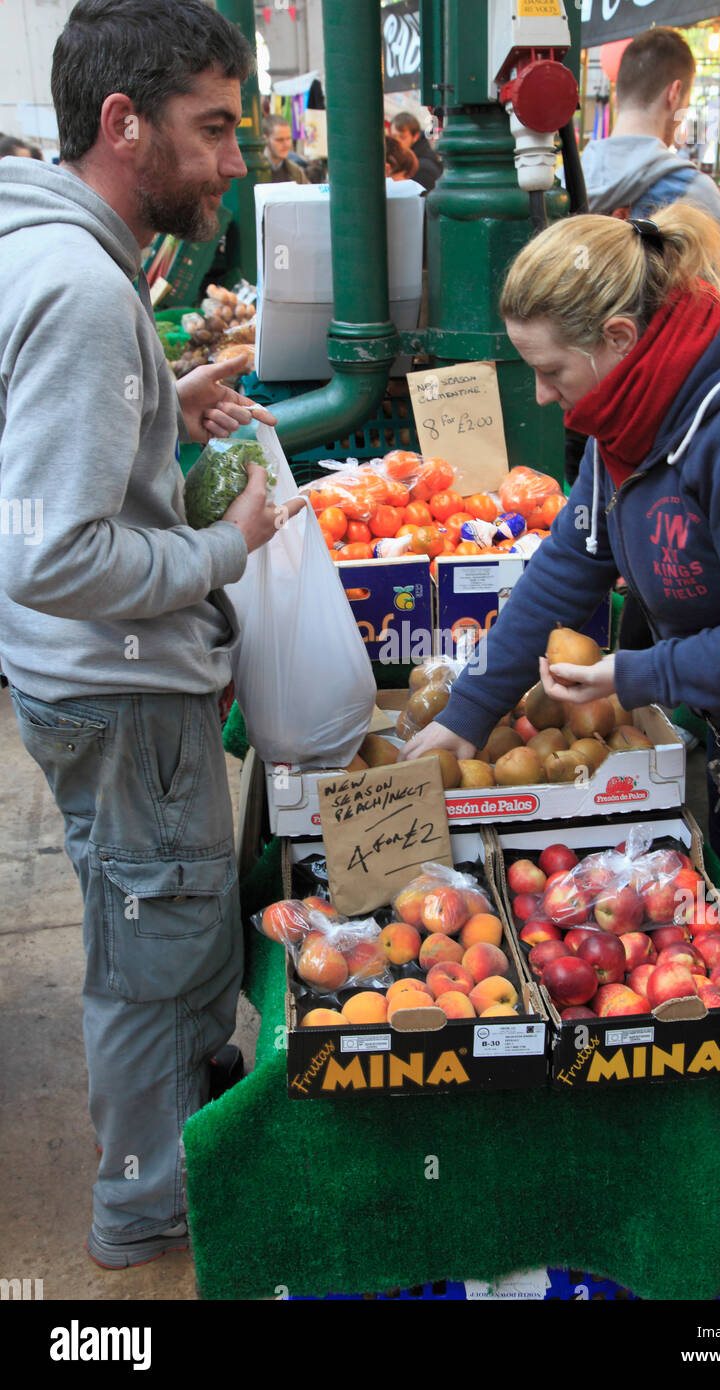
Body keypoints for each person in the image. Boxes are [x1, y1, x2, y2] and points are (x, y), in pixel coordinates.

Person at [401, 204, 720, 1126]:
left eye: (548, 371)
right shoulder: (629, 414)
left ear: (619, 337)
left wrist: (637, 677)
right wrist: (462, 717)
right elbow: (569, 564)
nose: (539, 396)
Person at [0, 0, 304, 1269]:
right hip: (117, 694)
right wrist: (227, 544)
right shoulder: (78, 284)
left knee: (160, 934)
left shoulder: (49, 248)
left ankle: (179, 1127)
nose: (236, 160)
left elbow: (45, 465)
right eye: (215, 129)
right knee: (150, 958)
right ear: (123, 124)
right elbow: (52, 550)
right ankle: (143, 1209)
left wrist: (157, 409)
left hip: (84, 686)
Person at [579, 28, 720, 303]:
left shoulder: (561, 182)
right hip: (660, 344)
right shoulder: (695, 193)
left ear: (616, 96)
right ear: (674, 93)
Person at [390, 111, 442, 192]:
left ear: (415, 136)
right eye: (394, 136)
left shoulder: (422, 168)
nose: (397, 141)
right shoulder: (417, 160)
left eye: (402, 137)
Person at [262, 113, 309, 183]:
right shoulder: (255, 172)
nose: (286, 144)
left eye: (288, 138)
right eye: (279, 140)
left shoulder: (296, 172)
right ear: (265, 139)